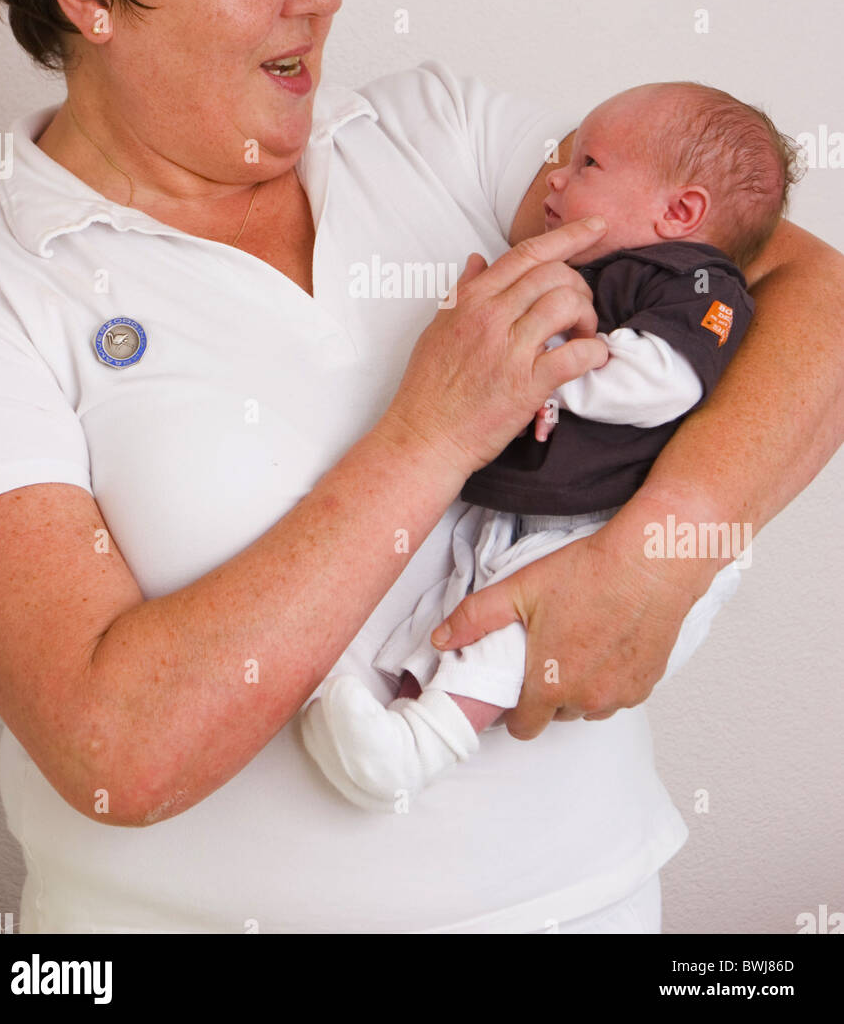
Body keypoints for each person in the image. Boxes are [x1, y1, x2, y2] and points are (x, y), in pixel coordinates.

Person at [0, 0, 842, 935]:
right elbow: (115, 746)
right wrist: (430, 434)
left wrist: (660, 554)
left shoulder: (439, 134)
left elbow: (804, 289)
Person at [301, 82, 802, 810]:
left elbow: (663, 379)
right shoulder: (596, 271)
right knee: (452, 601)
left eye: (586, 163)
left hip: (598, 518)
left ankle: (420, 748)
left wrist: (549, 377)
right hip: (535, 503)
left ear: (680, 213)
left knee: (512, 631)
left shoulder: (697, 284)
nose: (556, 179)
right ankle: (394, 708)